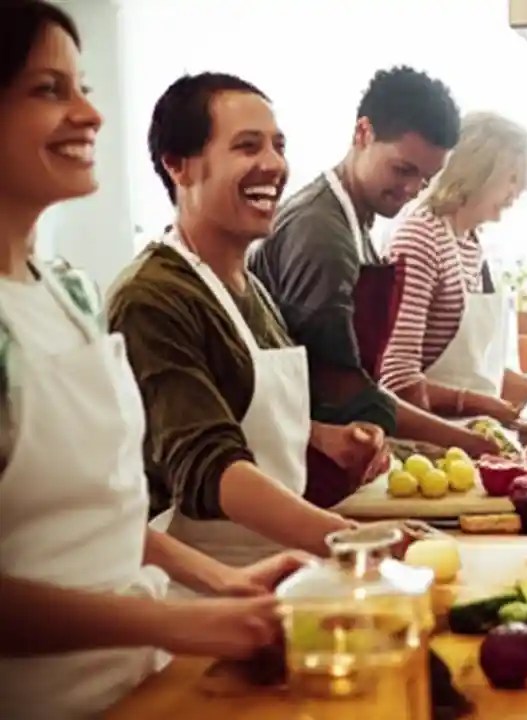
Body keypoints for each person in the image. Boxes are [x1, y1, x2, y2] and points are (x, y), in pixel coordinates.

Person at [0, 5, 303, 716]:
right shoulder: (142, 295)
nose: (90, 115)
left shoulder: (66, 292)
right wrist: (176, 621)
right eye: (49, 90)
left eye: (83, 89)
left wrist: (222, 584)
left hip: (142, 681)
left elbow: (92, 517)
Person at [106, 72, 393, 578]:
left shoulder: (250, 287)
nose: (274, 164)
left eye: (278, 146)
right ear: (178, 165)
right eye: (247, 146)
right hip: (195, 589)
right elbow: (207, 466)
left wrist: (320, 437)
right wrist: (351, 541)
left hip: (277, 568)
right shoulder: (151, 298)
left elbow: (237, 405)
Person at [248, 67, 499, 507]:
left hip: (333, 457)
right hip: (296, 466)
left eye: (425, 179)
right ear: (362, 133)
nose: (411, 189)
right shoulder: (321, 233)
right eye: (402, 169)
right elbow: (337, 386)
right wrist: (464, 441)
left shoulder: (356, 220)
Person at [380, 111, 527, 417]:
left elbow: (484, 377)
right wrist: (484, 406)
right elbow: (397, 380)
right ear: (477, 170)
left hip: (469, 430)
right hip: (430, 439)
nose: (519, 193)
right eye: (513, 178)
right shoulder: (421, 238)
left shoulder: (470, 243)